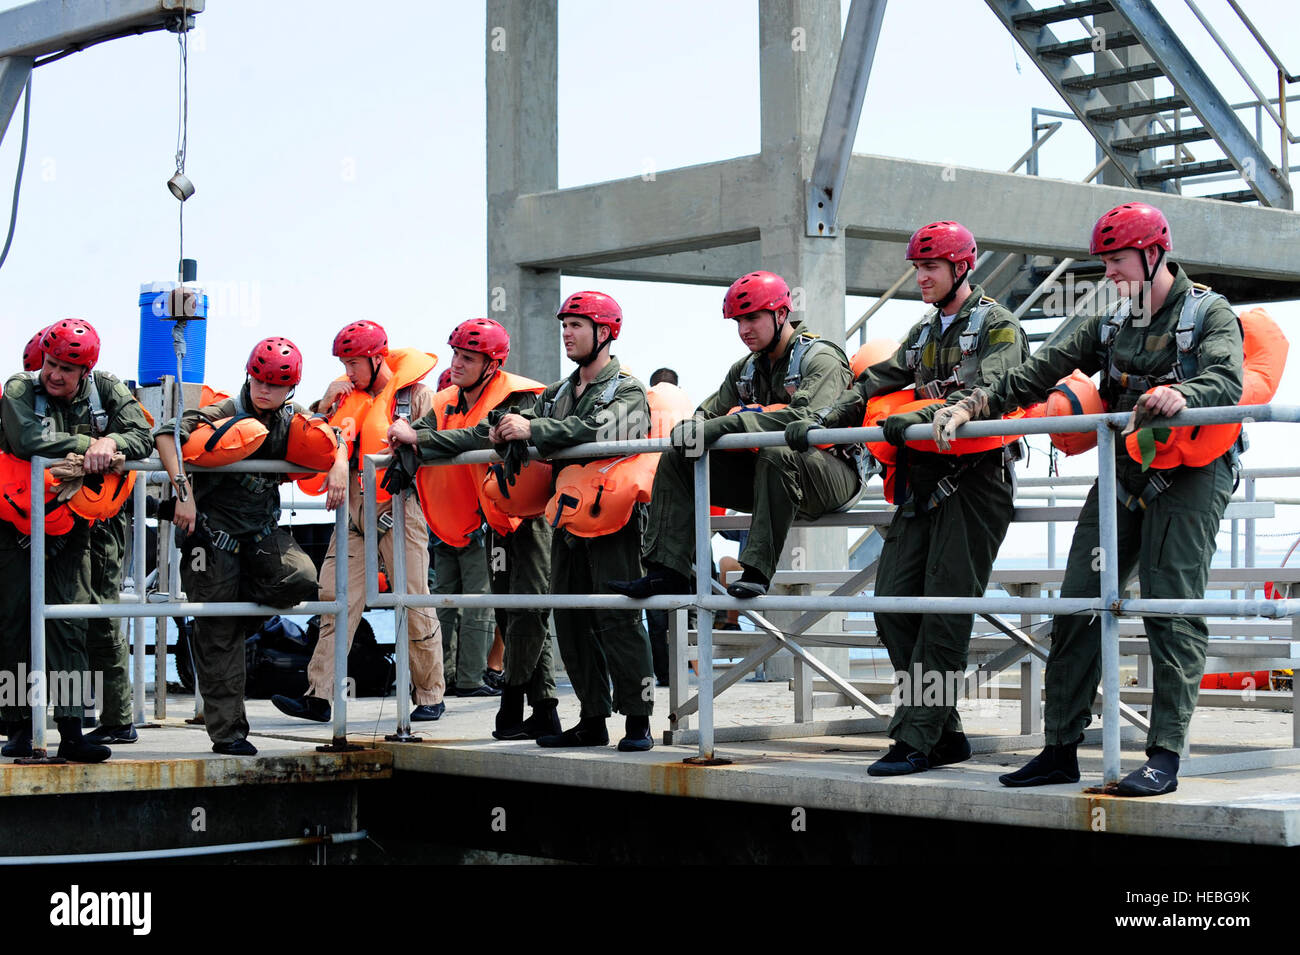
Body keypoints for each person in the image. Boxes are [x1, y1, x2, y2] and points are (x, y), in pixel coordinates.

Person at [933, 202, 1243, 797]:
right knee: (1078, 603)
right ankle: (1059, 750)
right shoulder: (1107, 318)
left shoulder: (1207, 313)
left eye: (1119, 262)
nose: (1110, 275)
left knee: (1170, 607)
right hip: (1128, 469)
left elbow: (1226, 378)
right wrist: (975, 403)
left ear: (1155, 255)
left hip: (1193, 474)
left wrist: (1186, 392)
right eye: (1104, 264)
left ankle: (1164, 756)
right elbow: (1037, 368)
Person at [788, 221, 1029, 776]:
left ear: (961, 268)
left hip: (975, 484)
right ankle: (943, 735)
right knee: (894, 605)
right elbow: (876, 381)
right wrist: (825, 421)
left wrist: (913, 415)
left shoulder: (997, 327)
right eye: (918, 268)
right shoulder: (926, 333)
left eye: (932, 268)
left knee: (943, 614)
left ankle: (917, 738)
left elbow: (988, 392)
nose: (921, 277)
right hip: (924, 486)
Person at [610, 270, 863, 600]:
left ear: (782, 314)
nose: (744, 330)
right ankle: (667, 571)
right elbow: (706, 414)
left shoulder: (821, 358)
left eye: (753, 319)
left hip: (831, 476)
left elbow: (808, 418)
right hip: (770, 478)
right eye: (739, 321)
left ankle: (756, 572)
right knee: (678, 458)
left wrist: (728, 425)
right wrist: (689, 428)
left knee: (777, 452)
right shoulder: (745, 370)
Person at [155, 338, 326, 755]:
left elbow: (332, 437)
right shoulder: (225, 412)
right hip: (211, 540)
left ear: (290, 390)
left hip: (261, 536)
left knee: (301, 579)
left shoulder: (293, 419)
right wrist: (183, 492)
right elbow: (165, 434)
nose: (264, 390)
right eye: (258, 380)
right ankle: (229, 734)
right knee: (217, 632)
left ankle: (238, 624)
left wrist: (337, 470)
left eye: (274, 384)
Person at [389, 318, 558, 740]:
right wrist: (404, 435)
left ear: (491, 364)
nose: (457, 363)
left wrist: (418, 439)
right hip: (494, 523)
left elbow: (482, 435)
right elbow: (424, 432)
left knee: (530, 611)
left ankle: (518, 701)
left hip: (529, 520)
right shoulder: (447, 400)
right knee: (507, 610)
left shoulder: (519, 395)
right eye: (456, 355)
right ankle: (545, 711)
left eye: (468, 357)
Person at [272, 321, 445, 724]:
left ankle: (430, 695)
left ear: (376, 358)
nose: (348, 371)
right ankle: (319, 696)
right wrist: (321, 407)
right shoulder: (341, 398)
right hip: (352, 514)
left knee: (414, 600)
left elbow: (438, 441)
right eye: (343, 363)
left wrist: (413, 435)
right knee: (335, 600)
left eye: (353, 363)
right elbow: (306, 440)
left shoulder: (418, 396)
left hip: (401, 511)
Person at [1, 319, 154, 762]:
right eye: (50, 364)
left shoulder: (106, 389)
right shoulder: (19, 389)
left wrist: (113, 442)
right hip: (13, 524)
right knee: (11, 622)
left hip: (72, 525)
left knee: (69, 619)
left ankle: (70, 731)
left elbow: (143, 436)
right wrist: (92, 444)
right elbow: (27, 438)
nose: (54, 374)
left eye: (67, 369)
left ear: (86, 371)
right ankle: (16, 726)